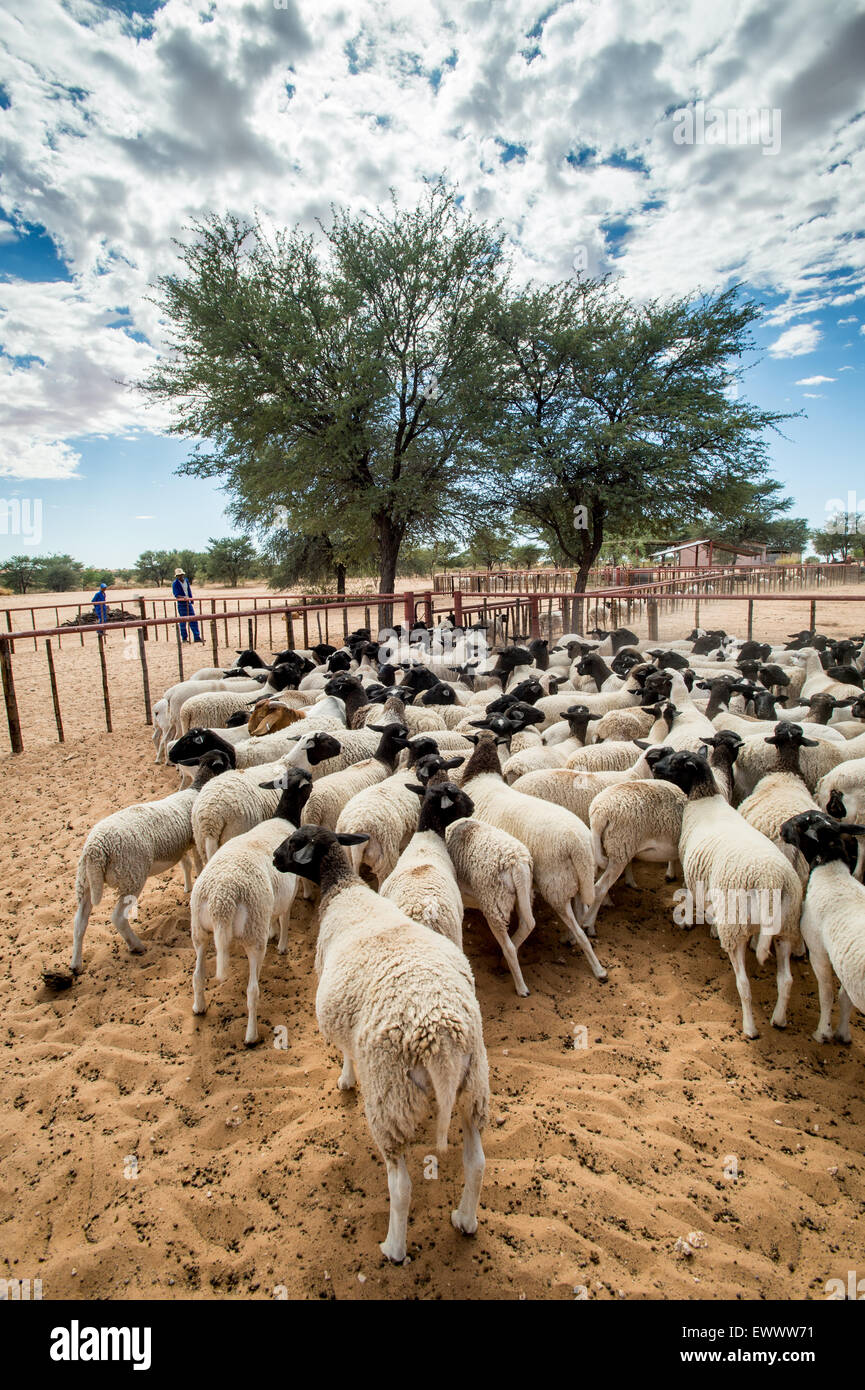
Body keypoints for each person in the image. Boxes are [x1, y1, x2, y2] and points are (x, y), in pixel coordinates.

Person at [172, 567, 202, 642]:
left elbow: (189, 590)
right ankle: (184, 638)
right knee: (183, 621)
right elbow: (176, 595)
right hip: (181, 604)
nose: (180, 576)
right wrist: (183, 597)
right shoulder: (175, 584)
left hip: (188, 602)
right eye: (178, 575)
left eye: (181, 575)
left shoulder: (186, 581)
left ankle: (197, 637)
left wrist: (191, 599)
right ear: (176, 576)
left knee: (193, 619)